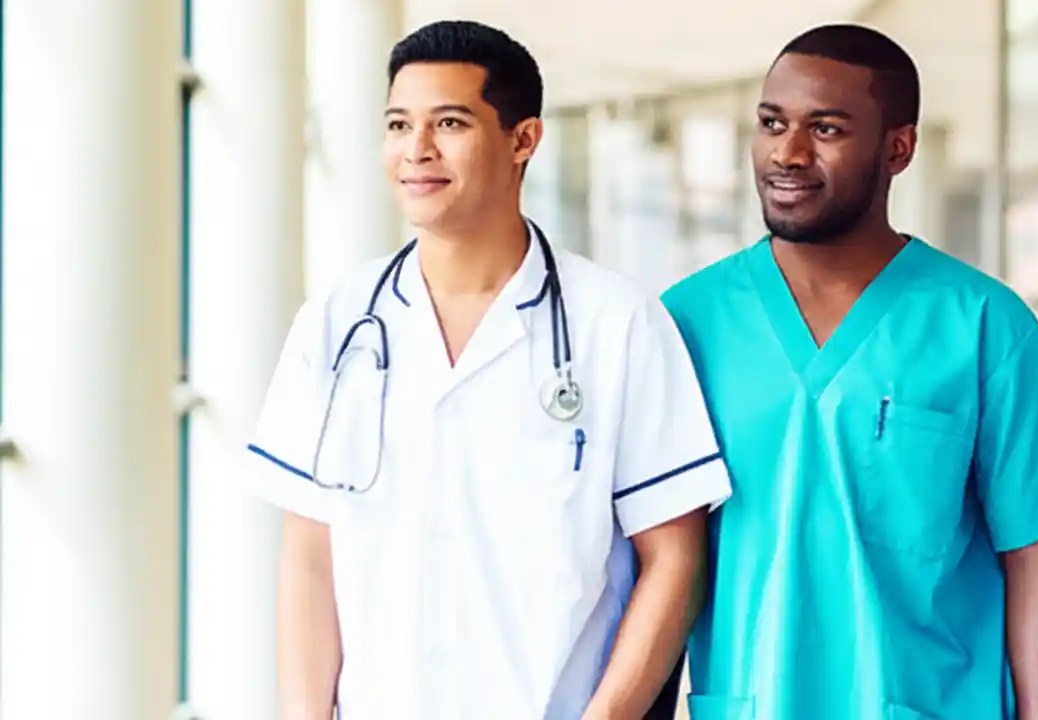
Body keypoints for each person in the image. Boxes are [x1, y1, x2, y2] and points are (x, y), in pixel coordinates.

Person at [243, 20, 731, 719]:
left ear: (524, 139)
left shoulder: (617, 323)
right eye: (398, 124)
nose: (416, 151)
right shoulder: (335, 323)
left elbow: (674, 559)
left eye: (449, 123)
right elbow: (311, 556)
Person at [660, 23, 1038, 719]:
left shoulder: (984, 324)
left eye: (828, 130)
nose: (788, 152)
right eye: (772, 123)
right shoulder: (686, 322)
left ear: (897, 148)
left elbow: (1036, 561)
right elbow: (657, 563)